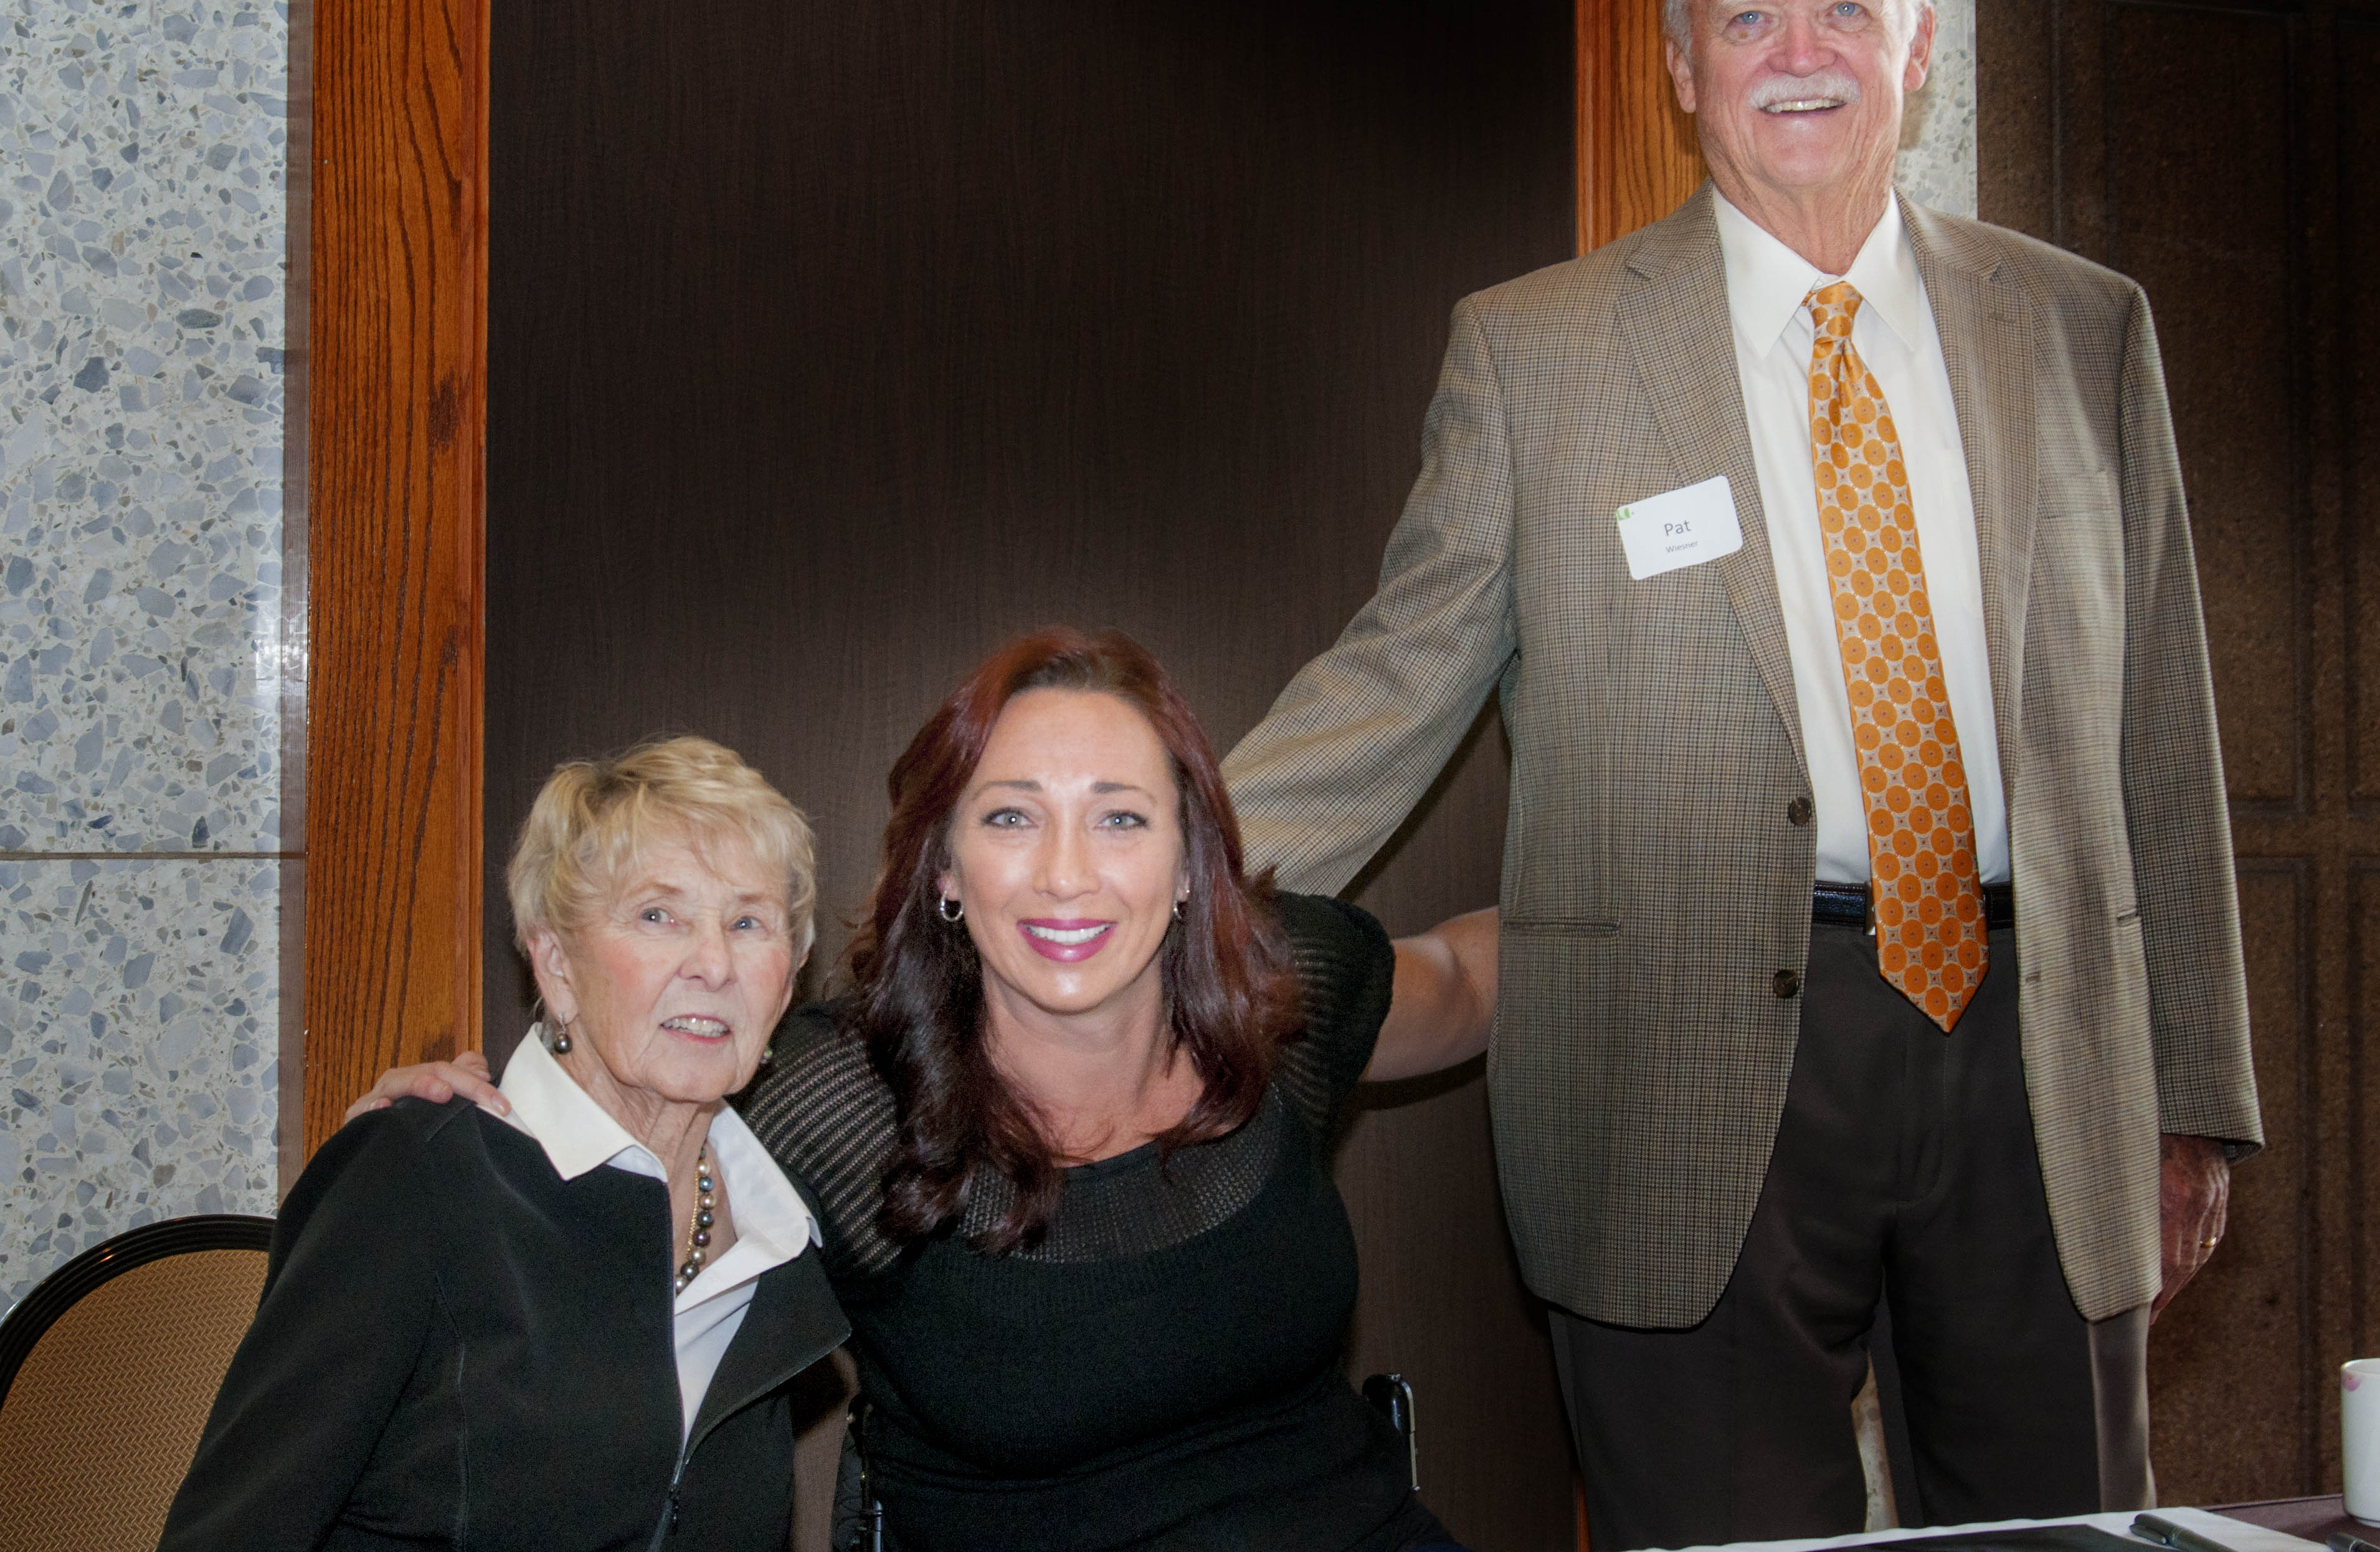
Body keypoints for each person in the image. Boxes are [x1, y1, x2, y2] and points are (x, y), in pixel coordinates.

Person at [1216, 0, 2264, 1549]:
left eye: (1849, 8)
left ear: (1918, 51)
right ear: (1685, 65)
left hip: (2039, 1052)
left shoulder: (2086, 330)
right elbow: (1395, 676)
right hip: (1678, 1076)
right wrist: (1147, 887)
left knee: (2066, 1535)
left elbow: (2164, 730)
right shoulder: (1537, 354)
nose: (1803, 51)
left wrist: (2196, 1093)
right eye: (1750, 15)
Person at [355, 629, 1500, 1552]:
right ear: (947, 868)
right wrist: (458, 1119)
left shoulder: (1282, 1000)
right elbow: (606, 1110)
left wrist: (1648, 905)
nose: (1066, 871)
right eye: (1011, 817)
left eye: (1120, 817)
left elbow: (1470, 976)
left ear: (1193, 863)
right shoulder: (836, 1097)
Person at [163, 738, 846, 1552]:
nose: (714, 962)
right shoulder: (420, 1173)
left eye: (748, 921)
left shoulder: (776, 1237)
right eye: (658, 915)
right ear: (556, 963)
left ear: (791, 974)